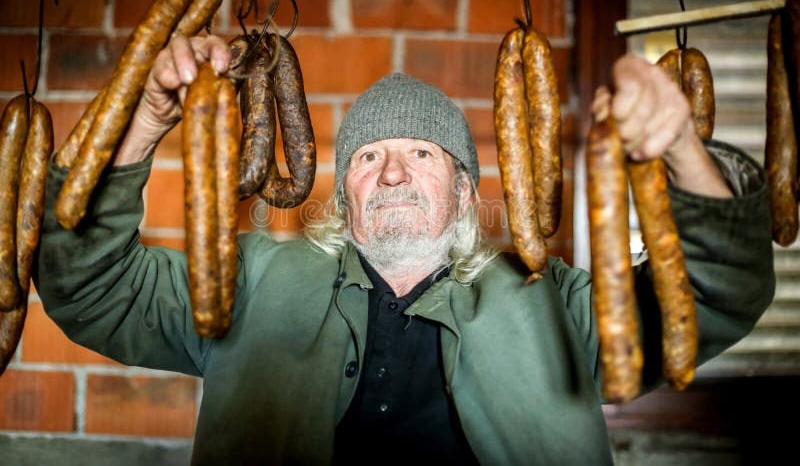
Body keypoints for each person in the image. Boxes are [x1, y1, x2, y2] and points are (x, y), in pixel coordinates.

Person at [35, 34, 775, 465]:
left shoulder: (557, 301)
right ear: (345, 193)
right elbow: (93, 288)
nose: (391, 172)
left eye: (421, 152)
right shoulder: (251, 276)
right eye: (367, 156)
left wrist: (680, 147)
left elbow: (717, 296)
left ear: (461, 189)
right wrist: (142, 123)